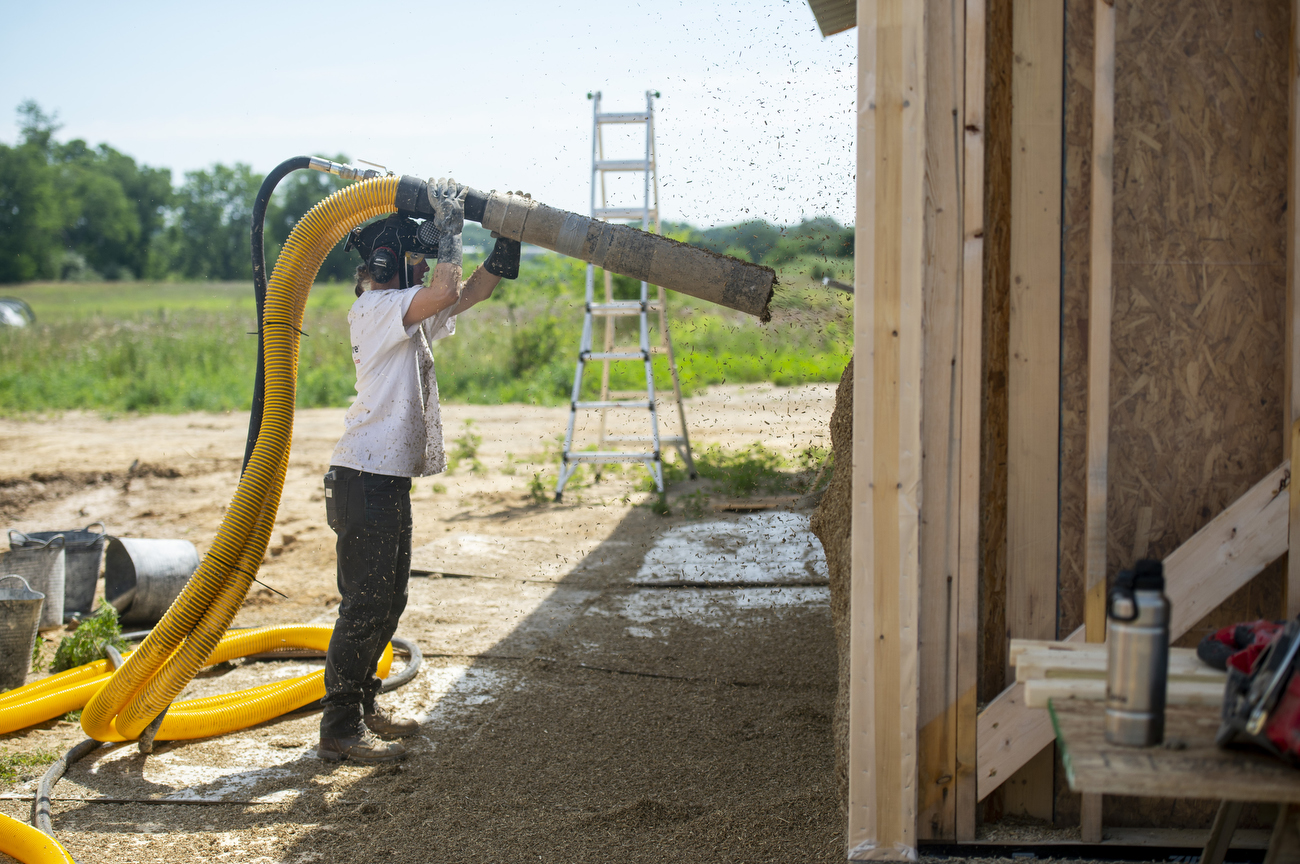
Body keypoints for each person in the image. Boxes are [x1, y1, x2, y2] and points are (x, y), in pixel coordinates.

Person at [318, 178, 521, 763]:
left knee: (390, 599)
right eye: (412, 257)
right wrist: (452, 230)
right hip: (363, 478)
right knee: (364, 602)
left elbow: (464, 294)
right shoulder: (378, 308)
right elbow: (444, 287)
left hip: (382, 479)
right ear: (385, 262)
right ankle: (339, 730)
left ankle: (364, 704)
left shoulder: (403, 313)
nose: (418, 265)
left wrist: (501, 253)